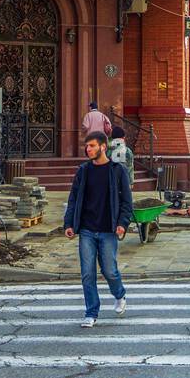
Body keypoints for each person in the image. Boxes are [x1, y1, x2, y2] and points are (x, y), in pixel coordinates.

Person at [64, 132, 133, 327]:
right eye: (87, 146)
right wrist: (69, 224)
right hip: (86, 230)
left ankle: (119, 294)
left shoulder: (117, 171)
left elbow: (127, 202)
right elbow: (73, 199)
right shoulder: (83, 171)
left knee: (109, 271)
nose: (88, 149)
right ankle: (91, 313)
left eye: (92, 146)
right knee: (87, 273)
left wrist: (122, 223)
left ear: (103, 147)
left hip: (108, 230)